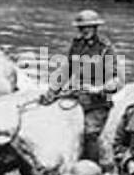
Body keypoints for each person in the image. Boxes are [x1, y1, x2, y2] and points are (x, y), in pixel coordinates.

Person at [42, 9, 120, 165]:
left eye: (88, 27)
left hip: (98, 102)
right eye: (82, 28)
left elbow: (115, 80)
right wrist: (52, 90)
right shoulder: (77, 45)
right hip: (77, 95)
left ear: (95, 28)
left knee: (90, 133)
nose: (85, 31)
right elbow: (67, 69)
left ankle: (91, 168)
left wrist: (99, 89)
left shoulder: (105, 48)